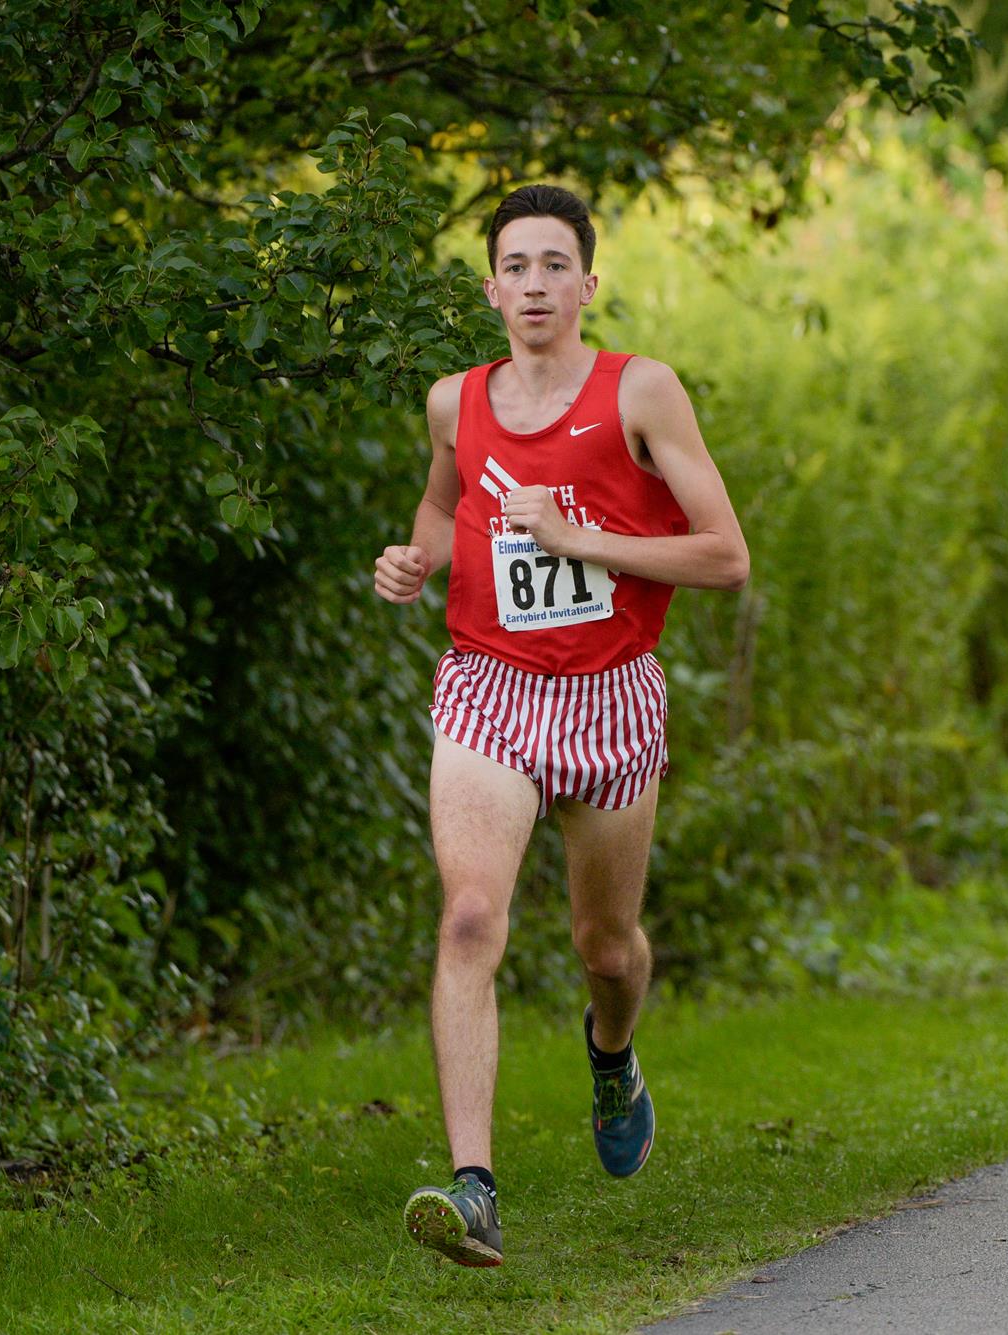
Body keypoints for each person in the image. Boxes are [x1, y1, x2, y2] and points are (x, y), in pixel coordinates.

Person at [372, 184, 750, 1266]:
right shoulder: (455, 401)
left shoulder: (641, 393)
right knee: (467, 922)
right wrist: (419, 556)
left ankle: (611, 1054)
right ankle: (473, 1190)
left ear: (587, 285)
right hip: (489, 688)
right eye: (514, 266)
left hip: (611, 692)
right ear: (489, 287)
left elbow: (725, 556)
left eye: (553, 265)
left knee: (605, 948)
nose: (533, 284)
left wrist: (586, 541)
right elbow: (446, 505)